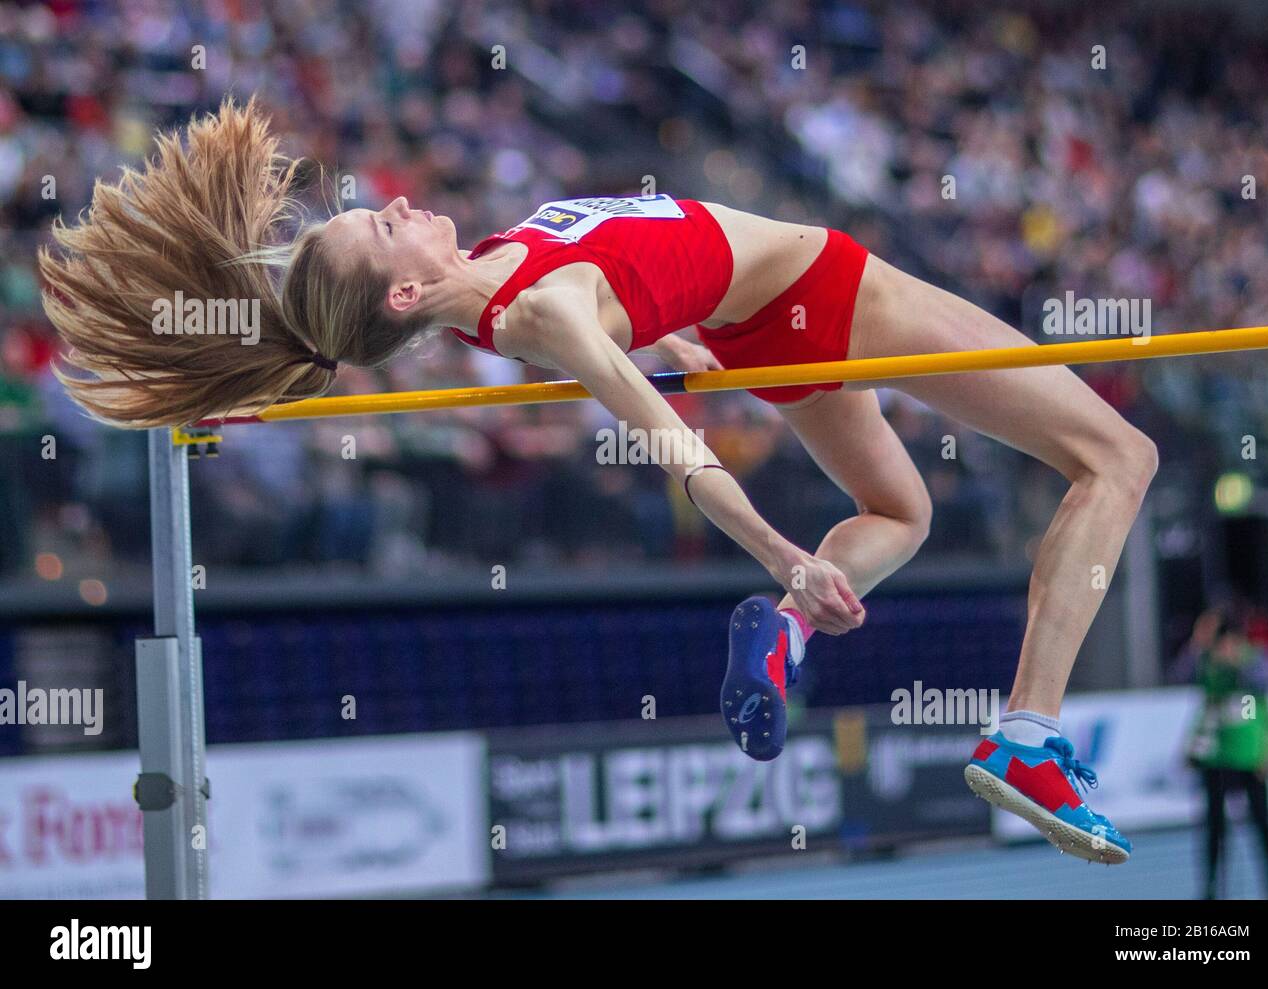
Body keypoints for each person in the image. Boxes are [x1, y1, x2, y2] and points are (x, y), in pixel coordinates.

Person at [39, 100, 1158, 863]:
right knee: (1120, 454)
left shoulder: (499, 286)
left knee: (900, 513)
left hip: (746, 324)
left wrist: (670, 332)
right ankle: (1028, 735)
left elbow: (626, 272)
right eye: (385, 227)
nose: (399, 202)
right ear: (399, 296)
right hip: (818, 287)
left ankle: (782, 635)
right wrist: (779, 549)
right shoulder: (532, 312)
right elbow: (676, 449)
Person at [1177, 605, 1268, 899]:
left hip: (1251, 755)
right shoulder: (1208, 661)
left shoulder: (1256, 658)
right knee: (1214, 828)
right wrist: (1198, 642)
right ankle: (1211, 889)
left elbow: (1265, 683)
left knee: (1262, 824)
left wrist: (1238, 662)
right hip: (1217, 756)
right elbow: (1181, 674)